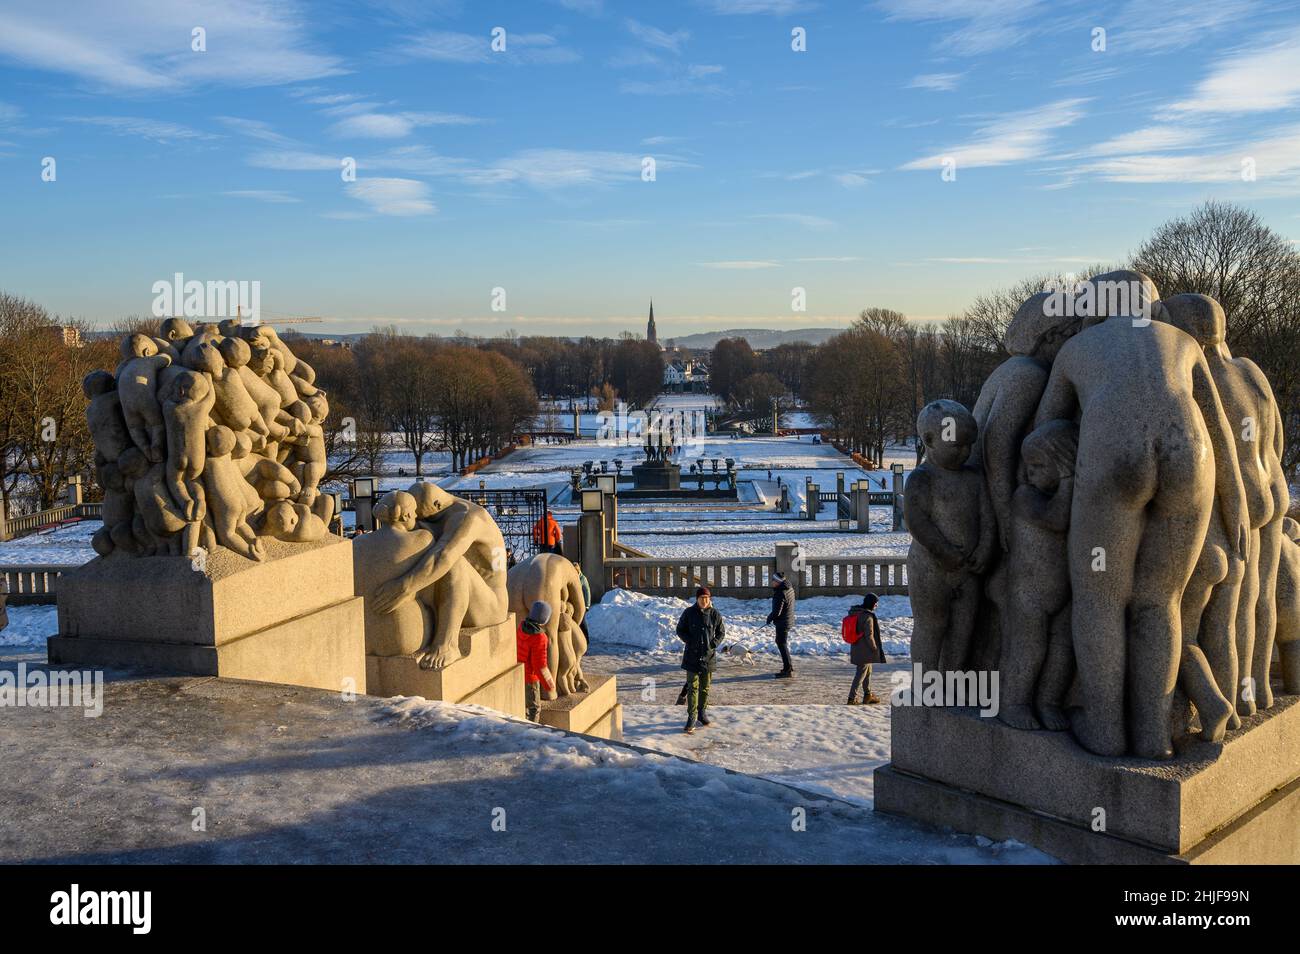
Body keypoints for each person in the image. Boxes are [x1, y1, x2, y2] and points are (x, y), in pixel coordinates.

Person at [676, 586, 725, 733]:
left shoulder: (715, 614)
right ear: (697, 599)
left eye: (706, 598)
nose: (704, 601)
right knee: (692, 687)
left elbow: (721, 632)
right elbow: (680, 629)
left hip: (708, 657)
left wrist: (713, 644)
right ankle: (692, 716)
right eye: (701, 598)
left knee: (705, 687)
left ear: (709, 599)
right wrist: (689, 641)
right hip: (692, 656)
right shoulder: (689, 613)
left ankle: (702, 713)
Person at [516, 600, 555, 722]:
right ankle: (532, 732)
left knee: (523, 707)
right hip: (530, 679)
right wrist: (549, 684)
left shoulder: (522, 626)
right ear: (544, 619)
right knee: (534, 708)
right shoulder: (540, 637)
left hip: (519, 673)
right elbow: (539, 664)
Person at [844, 593, 886, 704]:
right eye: (876, 604)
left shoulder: (857, 613)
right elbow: (869, 635)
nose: (876, 606)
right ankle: (852, 698)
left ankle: (868, 695)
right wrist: (874, 648)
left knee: (868, 671)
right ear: (871, 604)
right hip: (865, 649)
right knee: (861, 673)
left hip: (857, 646)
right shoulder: (867, 616)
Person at [765, 571, 796, 678]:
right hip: (788, 619)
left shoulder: (780, 593)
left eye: (773, 580)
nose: (772, 582)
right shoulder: (789, 588)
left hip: (783, 622)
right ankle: (788, 667)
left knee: (781, 643)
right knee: (782, 642)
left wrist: (769, 618)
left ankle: (788, 669)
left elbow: (776, 612)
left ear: (778, 582)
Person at [572, 560, 592, 640]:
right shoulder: (573, 579)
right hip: (574, 604)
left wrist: (587, 605)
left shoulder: (582, 579)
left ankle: (586, 638)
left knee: (582, 622)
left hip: (582, 605)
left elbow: (587, 592)